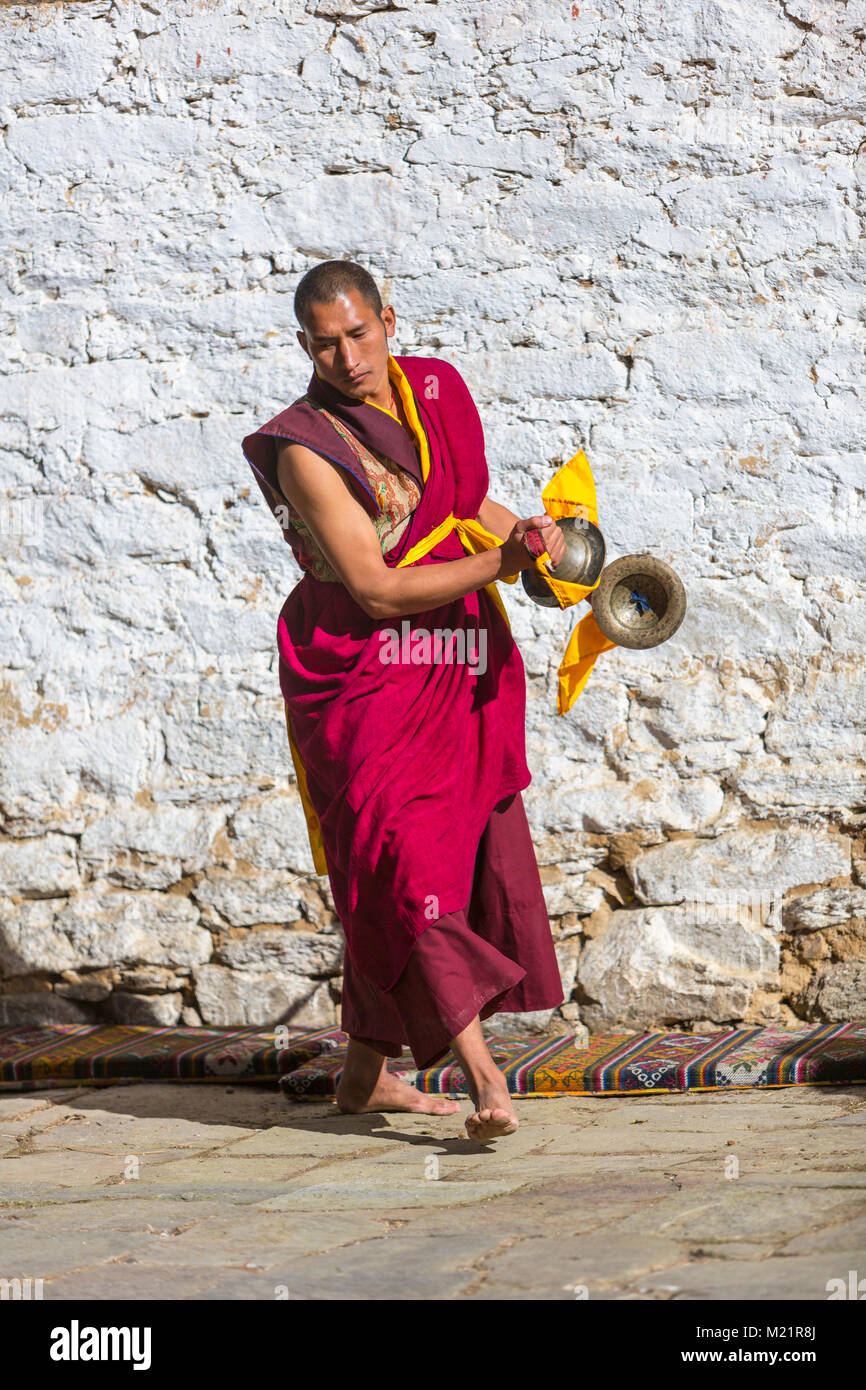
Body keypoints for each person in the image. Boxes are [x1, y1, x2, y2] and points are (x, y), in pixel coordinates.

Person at [242, 260, 567, 1141]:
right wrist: (498, 565)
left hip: (448, 657)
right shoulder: (306, 445)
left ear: (388, 318)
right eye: (324, 342)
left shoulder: (433, 389)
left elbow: (463, 504)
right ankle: (483, 1075)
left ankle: (363, 1076)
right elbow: (377, 590)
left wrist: (536, 540)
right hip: (358, 669)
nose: (347, 356)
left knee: (426, 859)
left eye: (359, 332)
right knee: (400, 861)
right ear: (303, 346)